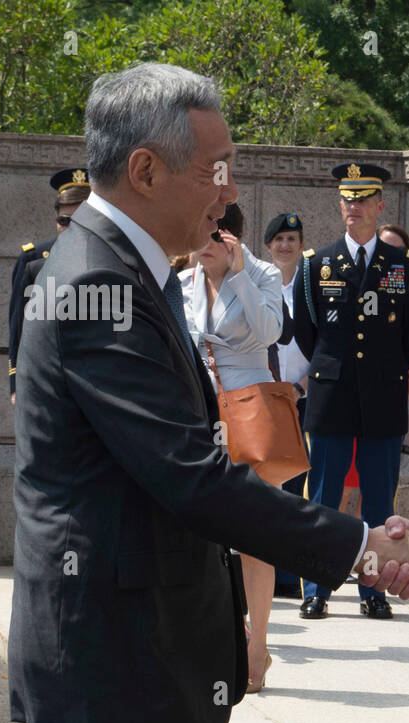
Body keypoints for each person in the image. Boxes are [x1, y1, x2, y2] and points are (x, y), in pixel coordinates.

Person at [8, 62, 409, 723]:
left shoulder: (124, 269)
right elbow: (190, 477)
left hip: (147, 660)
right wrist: (364, 548)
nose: (226, 190)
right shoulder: (97, 281)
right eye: (216, 169)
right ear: (145, 169)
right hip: (120, 671)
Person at [292, 163, 409, 620]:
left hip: (382, 394)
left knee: (378, 498)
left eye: (363, 199)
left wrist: (387, 371)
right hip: (331, 395)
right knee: (325, 495)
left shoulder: (403, 267)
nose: (354, 207)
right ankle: (317, 587)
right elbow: (307, 331)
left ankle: (374, 590)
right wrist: (333, 370)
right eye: (348, 200)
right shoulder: (318, 263)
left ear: (379, 205)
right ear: (340, 205)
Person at [179, 201, 285, 693]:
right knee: (205, 530)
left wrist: (240, 274)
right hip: (202, 408)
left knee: (256, 535)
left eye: (211, 232)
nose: (201, 241)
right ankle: (223, 635)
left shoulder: (261, 273)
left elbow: (269, 333)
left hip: (252, 407)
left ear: (229, 237)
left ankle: (258, 645)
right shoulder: (184, 276)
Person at [7, 167, 91, 402]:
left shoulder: (111, 257)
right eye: (64, 221)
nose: (70, 228)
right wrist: (16, 383)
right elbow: (18, 327)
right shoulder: (33, 259)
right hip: (47, 375)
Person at [263, 211, 312, 600]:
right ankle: (264, 570)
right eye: (278, 239)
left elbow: (324, 343)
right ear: (268, 246)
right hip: (262, 398)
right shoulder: (257, 283)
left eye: (291, 240)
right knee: (267, 489)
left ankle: (287, 576)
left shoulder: (311, 285)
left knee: (295, 490)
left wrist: (300, 386)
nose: (285, 246)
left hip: (303, 396)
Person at [378, 222, 409, 446]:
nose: (391, 256)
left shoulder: (407, 296)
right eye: (385, 247)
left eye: (398, 251)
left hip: (389, 404)